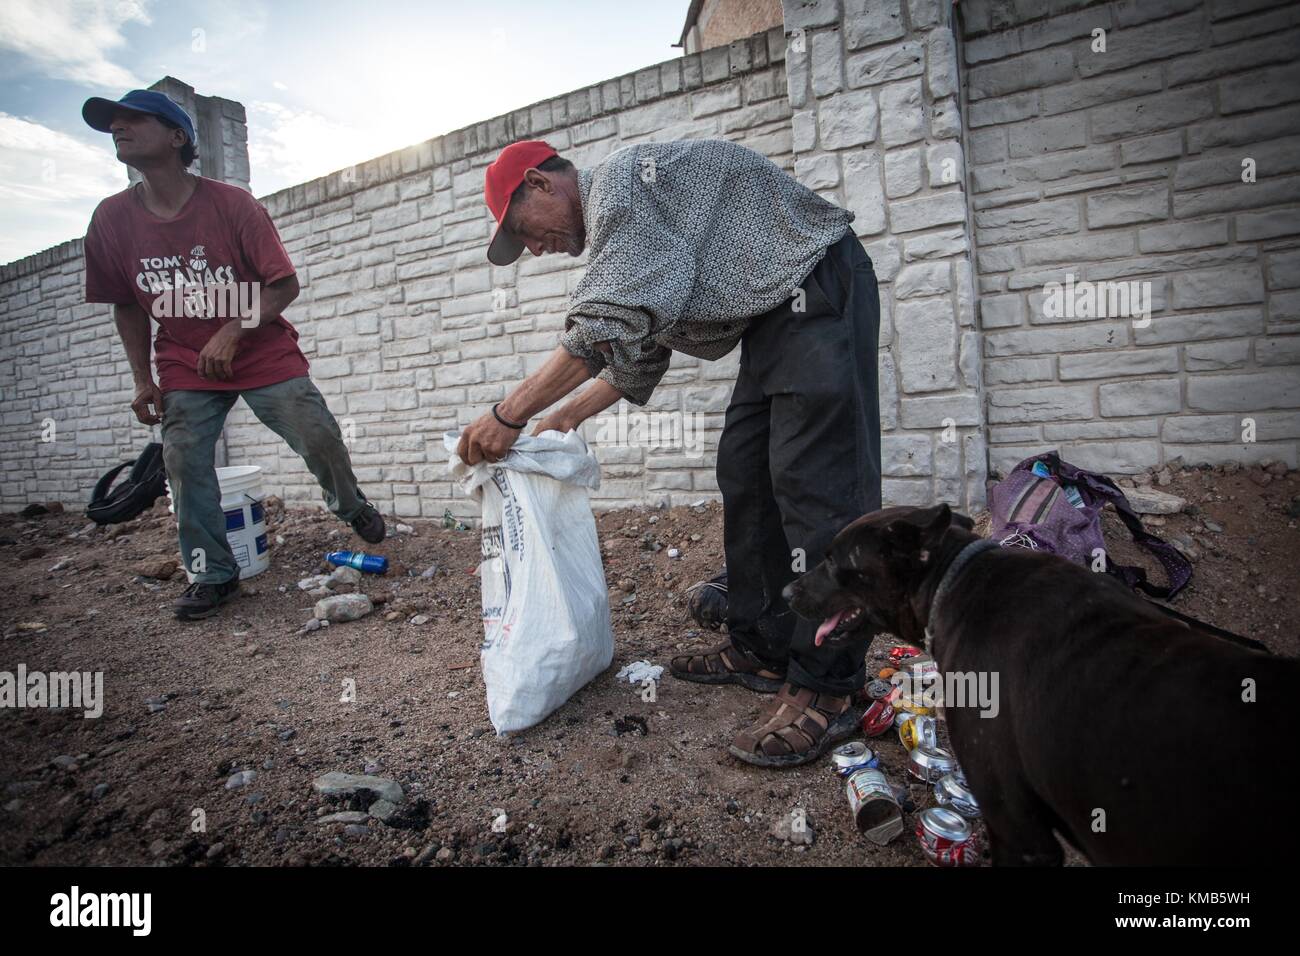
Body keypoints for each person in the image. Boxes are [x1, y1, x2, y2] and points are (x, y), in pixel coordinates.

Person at [456, 138, 882, 767]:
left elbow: (604, 324)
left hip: (818, 289)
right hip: (775, 320)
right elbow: (634, 349)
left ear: (542, 184)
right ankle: (761, 647)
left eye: (527, 233)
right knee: (744, 472)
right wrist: (559, 420)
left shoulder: (626, 185)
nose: (537, 250)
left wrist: (507, 415)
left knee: (815, 486)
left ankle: (830, 687)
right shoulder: (632, 232)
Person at [80, 89, 385, 621]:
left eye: (133, 119)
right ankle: (212, 574)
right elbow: (126, 303)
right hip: (183, 362)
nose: (118, 128)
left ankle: (350, 505)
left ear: (178, 137)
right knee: (183, 460)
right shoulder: (110, 220)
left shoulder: (231, 204)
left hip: (261, 349)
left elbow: (283, 285)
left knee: (316, 434)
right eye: (113, 123)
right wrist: (140, 378)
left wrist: (233, 330)